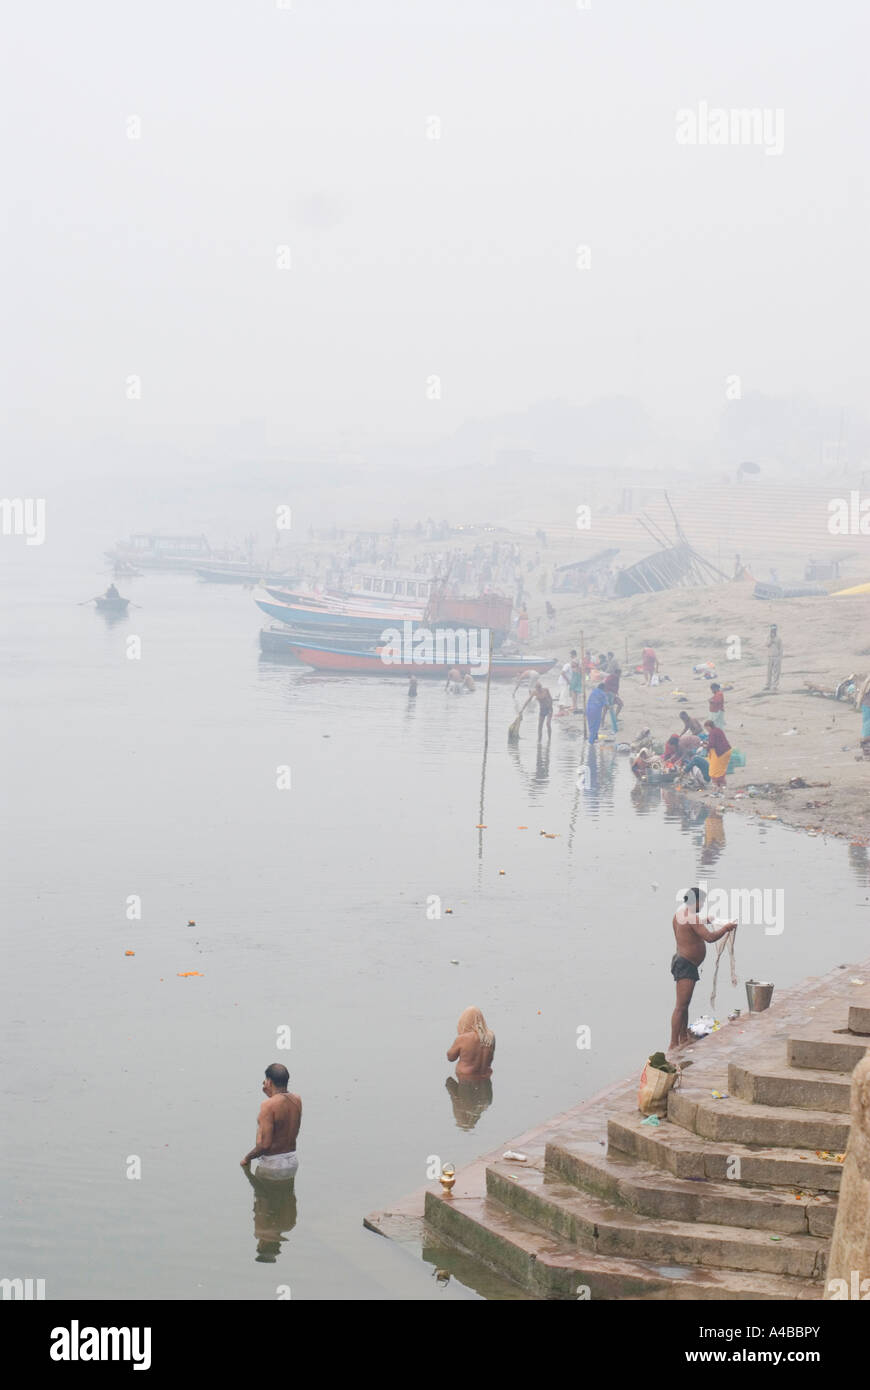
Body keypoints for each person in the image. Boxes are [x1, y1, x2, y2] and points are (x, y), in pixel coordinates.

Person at [670, 888, 736, 1051]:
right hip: (686, 964)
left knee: (685, 1004)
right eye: (703, 902)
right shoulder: (692, 918)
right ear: (696, 901)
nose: (703, 905)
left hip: (681, 961)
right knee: (681, 1005)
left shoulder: (679, 914)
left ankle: (683, 1037)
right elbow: (710, 937)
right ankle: (673, 1043)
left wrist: (707, 920)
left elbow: (689, 930)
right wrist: (726, 928)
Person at [240, 1063, 302, 1179]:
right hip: (292, 1161)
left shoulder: (267, 1105)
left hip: (272, 1165)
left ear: (268, 1081)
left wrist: (246, 1158)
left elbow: (265, 1145)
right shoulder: (297, 1100)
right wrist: (271, 1095)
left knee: (263, 1197)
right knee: (287, 1196)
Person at [447, 1006, 495, 1080]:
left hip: (465, 1078)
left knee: (449, 1083)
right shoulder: (490, 1037)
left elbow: (451, 1058)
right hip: (485, 1076)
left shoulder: (462, 1038)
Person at [704, 720, 732, 789]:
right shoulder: (718, 730)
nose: (707, 730)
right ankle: (723, 785)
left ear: (709, 727)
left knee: (715, 770)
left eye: (706, 728)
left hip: (721, 753)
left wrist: (705, 746)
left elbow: (712, 744)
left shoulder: (712, 733)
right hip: (727, 751)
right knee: (721, 769)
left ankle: (717, 785)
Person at [764, 625, 783, 692]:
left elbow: (780, 648)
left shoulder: (779, 638)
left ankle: (775, 685)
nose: (773, 631)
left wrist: (780, 657)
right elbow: (766, 645)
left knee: (776, 672)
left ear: (776, 630)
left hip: (776, 657)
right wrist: (771, 640)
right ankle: (768, 685)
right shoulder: (768, 637)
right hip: (769, 657)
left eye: (774, 630)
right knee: (769, 672)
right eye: (772, 630)